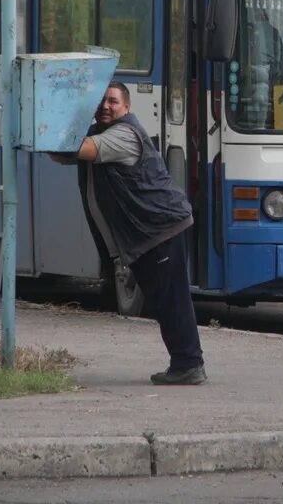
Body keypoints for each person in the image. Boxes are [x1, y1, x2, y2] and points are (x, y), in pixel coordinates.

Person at [50, 82, 206, 385]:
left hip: (161, 228)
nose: (106, 106)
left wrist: (49, 124)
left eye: (114, 101)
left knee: (172, 300)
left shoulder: (123, 135)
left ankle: (189, 363)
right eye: (102, 101)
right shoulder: (101, 131)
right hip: (148, 233)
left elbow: (81, 149)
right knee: (163, 301)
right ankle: (185, 362)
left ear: (127, 108)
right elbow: (60, 155)